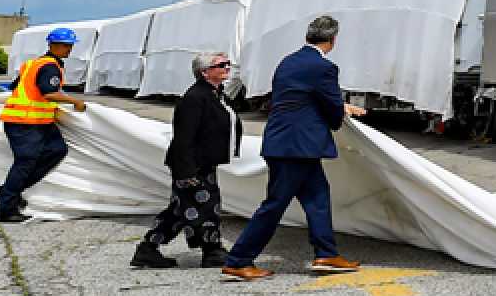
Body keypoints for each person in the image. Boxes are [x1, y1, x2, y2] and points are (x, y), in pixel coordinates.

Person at [219, 15, 365, 281]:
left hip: (284, 142)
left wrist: (338, 107)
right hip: (298, 147)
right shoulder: (324, 68)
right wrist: (339, 114)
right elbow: (330, 107)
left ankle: (326, 253)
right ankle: (239, 259)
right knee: (275, 204)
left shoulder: (288, 62)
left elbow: (299, 98)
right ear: (333, 40)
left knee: (318, 198)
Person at [133, 52, 243, 269]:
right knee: (207, 206)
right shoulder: (194, 98)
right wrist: (186, 172)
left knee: (179, 210)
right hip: (192, 164)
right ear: (204, 72)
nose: (226, 68)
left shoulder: (215, 94)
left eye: (227, 64)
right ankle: (212, 250)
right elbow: (184, 136)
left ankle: (148, 249)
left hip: (204, 162)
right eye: (221, 65)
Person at [0, 28, 90, 222]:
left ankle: (9, 190)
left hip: (39, 121)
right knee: (25, 163)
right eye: (65, 46)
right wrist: (75, 102)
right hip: (25, 123)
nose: (68, 49)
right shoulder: (49, 66)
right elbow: (49, 93)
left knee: (57, 150)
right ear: (52, 45)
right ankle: (6, 210)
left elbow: (16, 87)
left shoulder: (33, 64)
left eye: (70, 46)